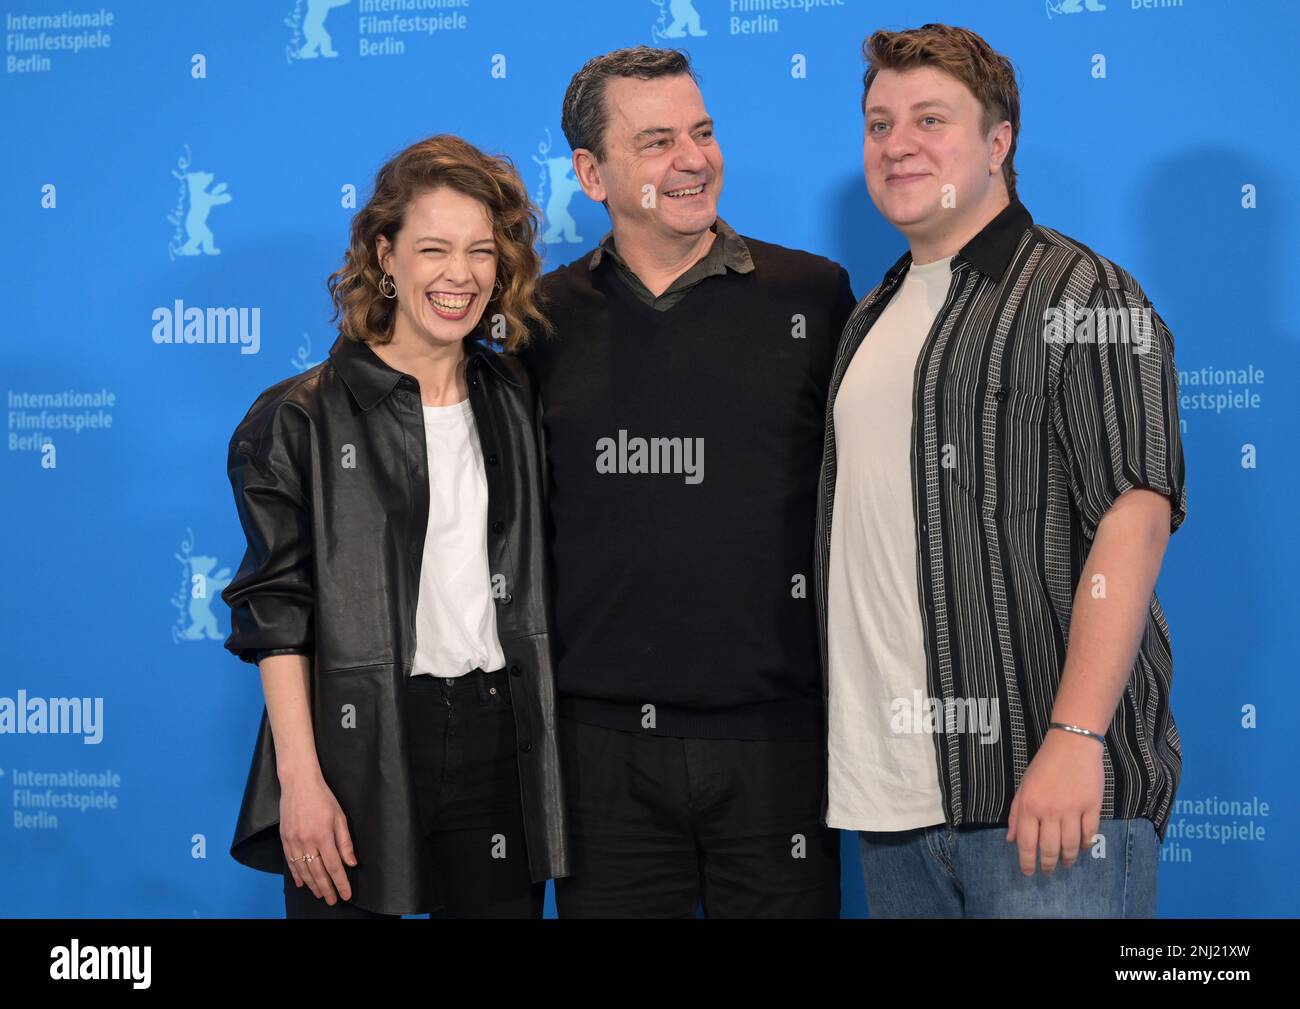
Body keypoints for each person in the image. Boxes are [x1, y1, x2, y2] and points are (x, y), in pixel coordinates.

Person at [817, 23, 1186, 918]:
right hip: (893, 807)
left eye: (929, 118)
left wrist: (1074, 735)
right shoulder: (869, 319)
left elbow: (1133, 516)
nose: (897, 143)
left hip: (1047, 798)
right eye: (878, 123)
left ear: (998, 142)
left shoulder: (1084, 294)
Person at [519, 46, 857, 918]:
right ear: (592, 174)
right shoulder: (541, 322)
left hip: (778, 742)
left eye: (702, 133)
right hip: (599, 757)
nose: (694, 159)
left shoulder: (813, 298)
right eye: (659, 141)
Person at [220, 134, 569, 918]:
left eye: (481, 250)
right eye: (434, 248)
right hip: (357, 742)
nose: (461, 275)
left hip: (497, 735)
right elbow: (279, 612)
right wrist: (300, 782)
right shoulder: (297, 417)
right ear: (385, 254)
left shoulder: (516, 394)